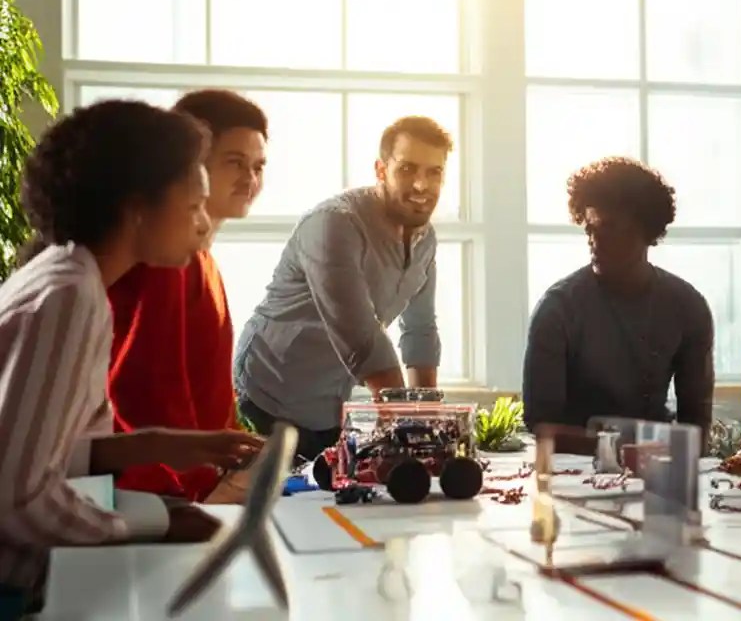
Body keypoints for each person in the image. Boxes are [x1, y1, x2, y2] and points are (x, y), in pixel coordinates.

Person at [0, 101, 263, 616]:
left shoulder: (68, 274)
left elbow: (34, 453)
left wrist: (156, 445)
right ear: (136, 208)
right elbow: (18, 496)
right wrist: (147, 526)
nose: (202, 224)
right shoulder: (69, 297)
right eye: (192, 208)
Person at [233, 116, 450, 460]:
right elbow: (359, 331)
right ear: (381, 170)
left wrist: (430, 429)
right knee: (281, 505)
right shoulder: (335, 223)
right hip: (267, 393)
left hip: (330, 404)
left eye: (434, 172)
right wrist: (406, 423)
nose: (422, 185)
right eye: (407, 168)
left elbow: (421, 330)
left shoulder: (426, 240)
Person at [108, 90, 269, 503]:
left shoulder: (204, 263)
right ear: (191, 162)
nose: (250, 179)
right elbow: (148, 387)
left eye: (258, 166)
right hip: (158, 492)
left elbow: (208, 392)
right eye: (234, 162)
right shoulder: (167, 260)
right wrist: (199, 487)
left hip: (196, 481)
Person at [522, 157, 715, 439]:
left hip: (655, 468)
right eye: (590, 229)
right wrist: (621, 447)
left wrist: (656, 454)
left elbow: (696, 426)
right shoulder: (558, 309)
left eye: (609, 227)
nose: (594, 241)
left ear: (646, 230)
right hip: (574, 471)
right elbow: (541, 425)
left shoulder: (687, 307)